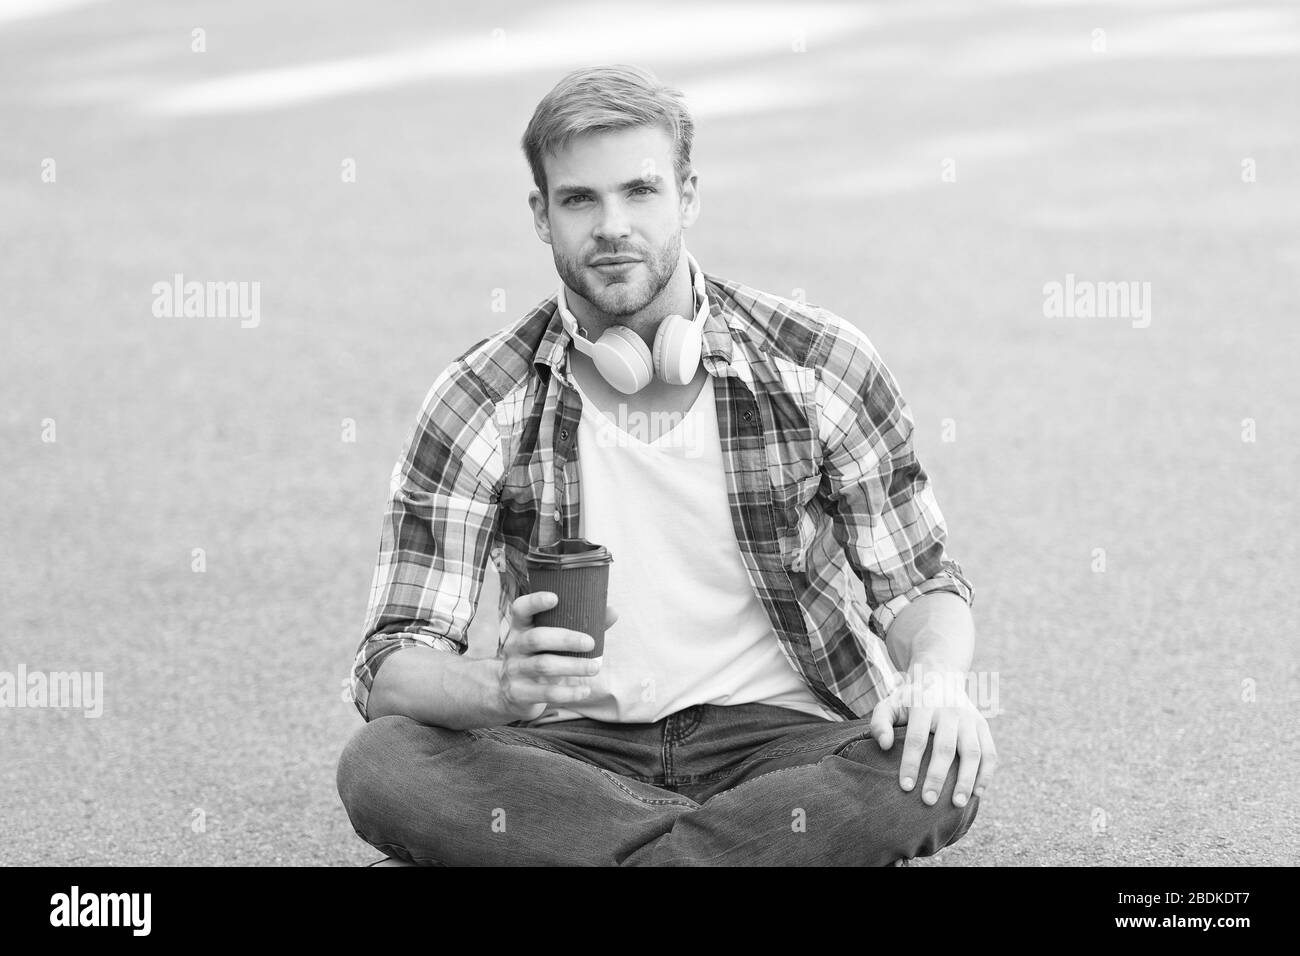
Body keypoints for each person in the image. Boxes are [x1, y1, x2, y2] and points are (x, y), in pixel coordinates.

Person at [336, 64, 996, 866]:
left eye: (639, 191)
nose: (613, 225)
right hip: (570, 757)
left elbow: (920, 587)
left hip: (782, 741)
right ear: (542, 215)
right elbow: (390, 663)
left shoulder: (819, 362)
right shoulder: (480, 398)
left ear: (687, 194)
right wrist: (496, 689)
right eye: (581, 199)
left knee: (929, 769)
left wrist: (936, 679)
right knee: (385, 765)